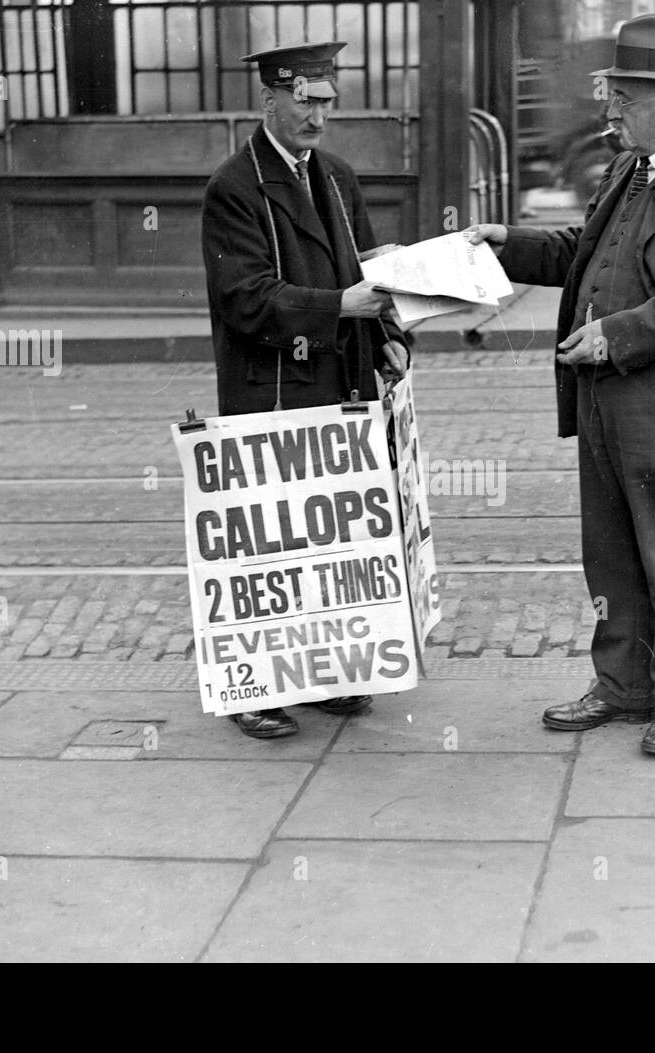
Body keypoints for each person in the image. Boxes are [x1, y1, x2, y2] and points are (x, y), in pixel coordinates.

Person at [467, 14, 655, 757]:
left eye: (623, 96)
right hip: (599, 393)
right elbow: (581, 253)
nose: (610, 108)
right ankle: (620, 684)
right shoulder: (626, 169)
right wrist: (508, 247)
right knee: (609, 549)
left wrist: (616, 334)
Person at [200, 40, 410, 740]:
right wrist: (338, 309)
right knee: (266, 543)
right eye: (307, 101)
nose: (320, 115)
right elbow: (246, 299)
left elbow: (366, 278)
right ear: (270, 100)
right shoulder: (236, 187)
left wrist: (390, 340)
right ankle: (250, 687)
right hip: (274, 387)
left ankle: (320, 675)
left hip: (339, 382)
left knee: (329, 539)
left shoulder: (338, 177)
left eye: (329, 101)